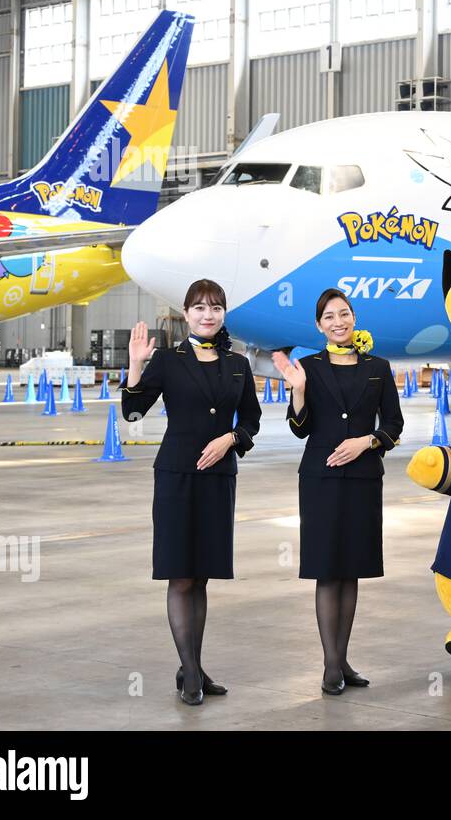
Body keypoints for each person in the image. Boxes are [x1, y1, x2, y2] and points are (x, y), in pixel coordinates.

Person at [121, 279, 262, 706]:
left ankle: (193, 667)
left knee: (201, 575)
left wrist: (230, 439)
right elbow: (132, 411)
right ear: (186, 314)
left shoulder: (237, 363)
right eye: (199, 307)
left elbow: (252, 422)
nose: (208, 314)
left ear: (223, 314)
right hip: (178, 476)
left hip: (219, 478)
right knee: (181, 575)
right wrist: (135, 366)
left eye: (215, 307)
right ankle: (191, 678)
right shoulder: (168, 359)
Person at [272, 288, 404, 695]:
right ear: (318, 325)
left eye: (344, 314)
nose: (338, 322)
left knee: (352, 572)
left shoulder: (378, 367)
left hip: (363, 478)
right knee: (327, 571)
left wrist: (367, 442)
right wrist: (296, 391)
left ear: (354, 317)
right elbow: (300, 429)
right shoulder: (307, 367)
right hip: (320, 480)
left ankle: (341, 659)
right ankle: (331, 666)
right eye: (329, 317)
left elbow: (394, 426)